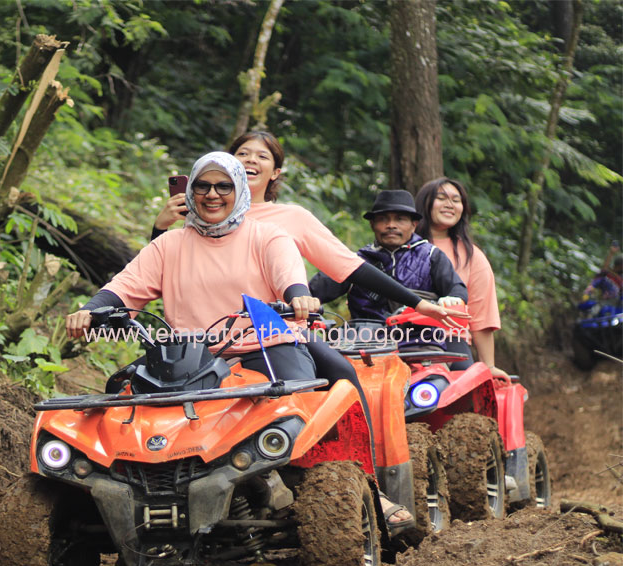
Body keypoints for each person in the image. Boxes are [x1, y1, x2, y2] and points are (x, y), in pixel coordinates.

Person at [151, 134, 455, 528]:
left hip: (275, 331)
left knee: (341, 379)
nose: (250, 160)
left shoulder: (288, 219)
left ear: (276, 171)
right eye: (241, 154)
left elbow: (347, 266)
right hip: (199, 339)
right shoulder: (199, 214)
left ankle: (362, 485)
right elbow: (155, 271)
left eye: (262, 156)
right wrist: (160, 226)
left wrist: (415, 301)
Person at [67, 151, 318, 384]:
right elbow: (126, 286)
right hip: (188, 354)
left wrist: (299, 298)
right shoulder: (170, 243)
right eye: (202, 186)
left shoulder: (268, 237)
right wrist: (89, 312)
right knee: (121, 390)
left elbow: (288, 276)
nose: (212, 194)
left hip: (266, 346)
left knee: (295, 397)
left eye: (224, 186)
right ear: (191, 191)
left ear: (240, 190)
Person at [310, 189, 471, 361]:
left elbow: (457, 289)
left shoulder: (432, 256)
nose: (391, 225)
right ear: (372, 224)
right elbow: (314, 290)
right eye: (383, 219)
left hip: (420, 343)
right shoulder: (355, 261)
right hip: (363, 345)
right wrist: (303, 300)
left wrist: (452, 299)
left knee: (441, 382)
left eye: (400, 219)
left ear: (414, 224)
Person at [414, 178, 510, 378]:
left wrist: (489, 366)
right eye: (441, 198)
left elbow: (481, 316)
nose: (450, 204)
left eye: (456, 200)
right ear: (426, 203)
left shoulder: (472, 256)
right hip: (400, 338)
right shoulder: (403, 248)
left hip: (450, 341)